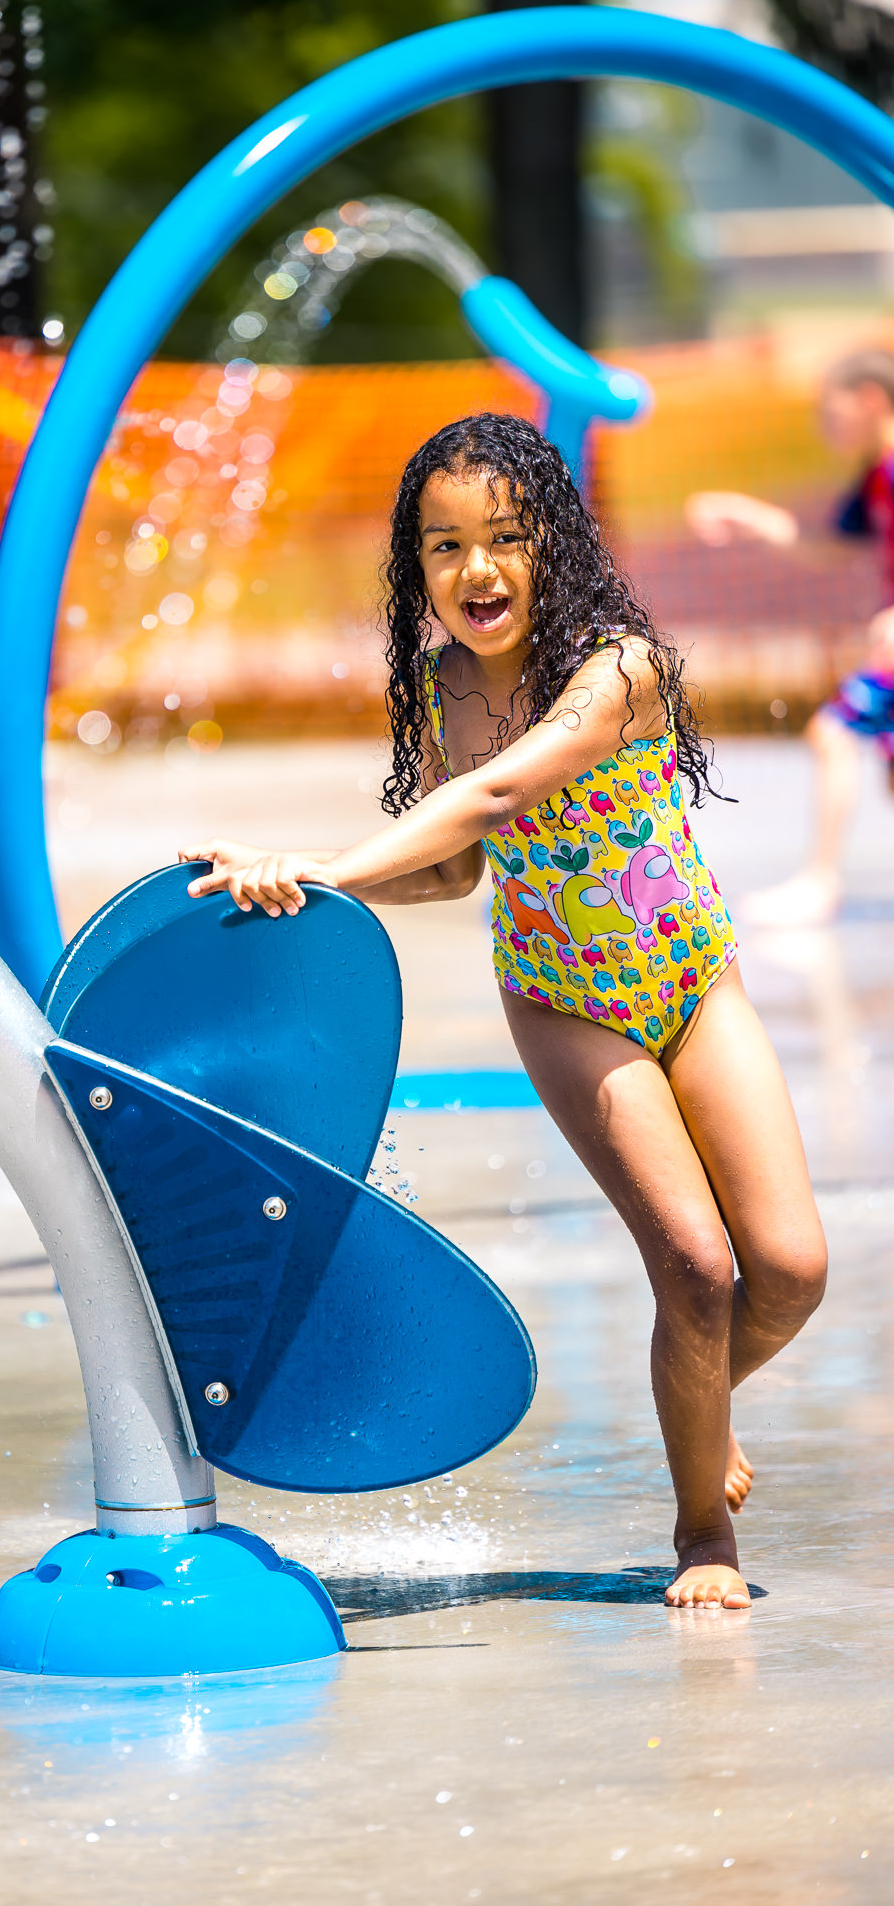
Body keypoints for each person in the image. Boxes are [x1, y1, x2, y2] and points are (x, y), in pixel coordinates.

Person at [181, 413, 827, 1611]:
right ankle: (702, 1533)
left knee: (786, 1269)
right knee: (692, 1265)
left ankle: (702, 1406)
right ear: (413, 567)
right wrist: (306, 884)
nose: (476, 570)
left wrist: (328, 861)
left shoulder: (618, 662)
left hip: (692, 981)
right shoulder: (442, 685)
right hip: (562, 999)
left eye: (505, 538)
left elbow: (502, 786)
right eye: (443, 546)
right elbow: (454, 862)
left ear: (556, 544)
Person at [687, 345, 894, 927]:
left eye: (833, 412)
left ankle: (819, 882)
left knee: (832, 731)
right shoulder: (876, 477)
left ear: (871, 401)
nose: (825, 427)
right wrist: (746, 516)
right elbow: (829, 546)